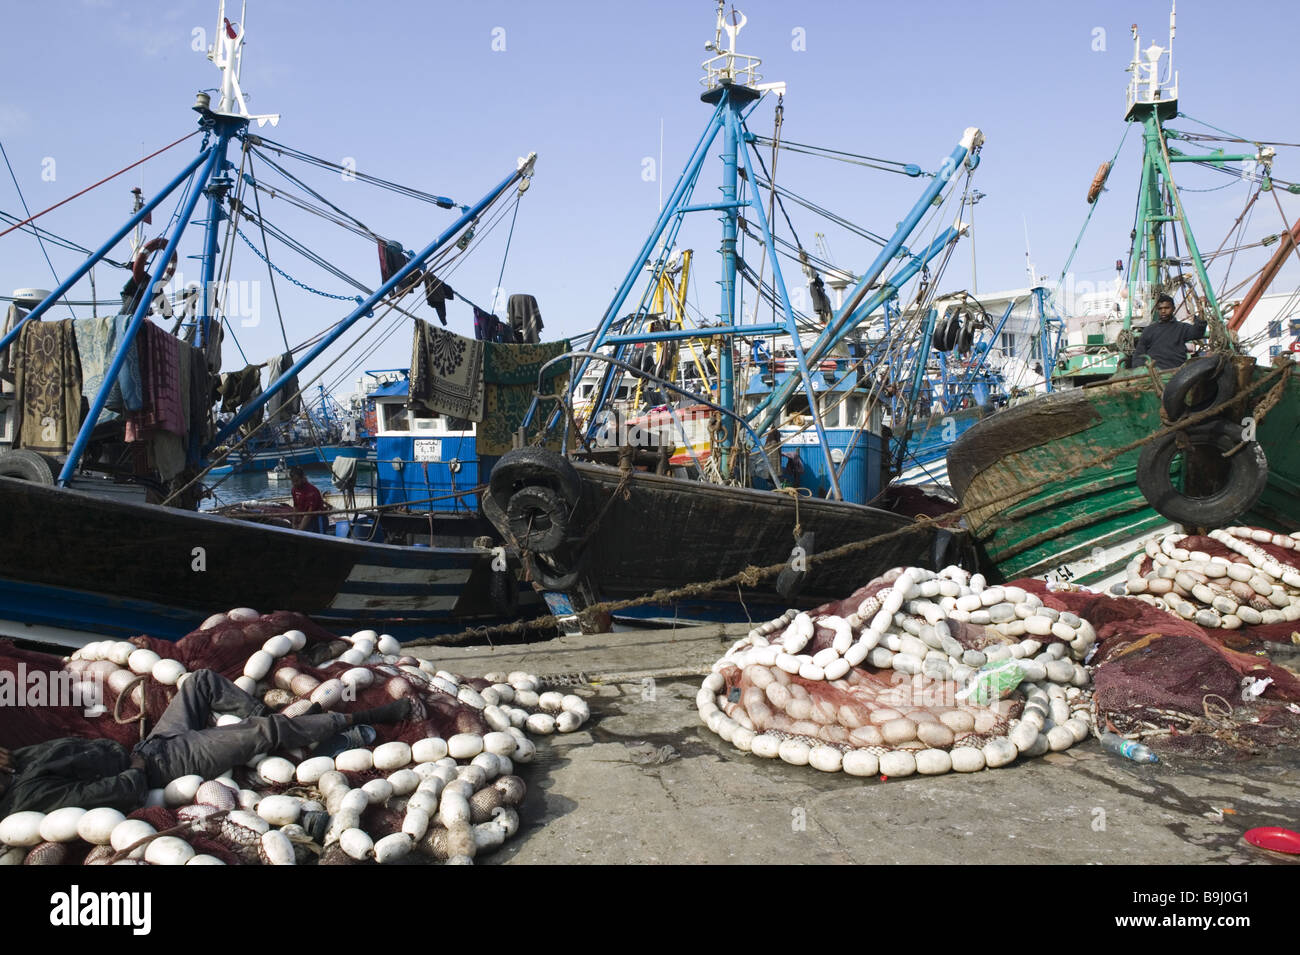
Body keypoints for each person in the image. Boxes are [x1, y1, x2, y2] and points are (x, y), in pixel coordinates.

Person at [0, 669, 410, 815]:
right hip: (161, 767)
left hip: (148, 747)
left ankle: (284, 727)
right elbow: (109, 793)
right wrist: (138, 770)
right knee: (263, 735)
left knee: (200, 682)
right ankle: (364, 719)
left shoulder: (14, 761)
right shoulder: (26, 797)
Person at [1131, 294, 1207, 370]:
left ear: (1173, 309)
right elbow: (1138, 354)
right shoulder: (1149, 330)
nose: (1163, 311)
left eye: (1167, 308)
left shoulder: (1182, 328)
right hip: (1154, 372)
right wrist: (1142, 369)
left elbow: (1197, 333)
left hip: (1177, 371)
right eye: (1160, 308)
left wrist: (1201, 312)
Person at [289, 466, 331, 533]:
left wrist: (299, 531)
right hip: (306, 520)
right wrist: (294, 524)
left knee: (318, 539)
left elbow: (309, 514)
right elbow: (295, 507)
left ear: (302, 478)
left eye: (297, 481)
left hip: (318, 519)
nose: (294, 484)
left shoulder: (311, 491)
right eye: (293, 481)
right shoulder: (294, 490)